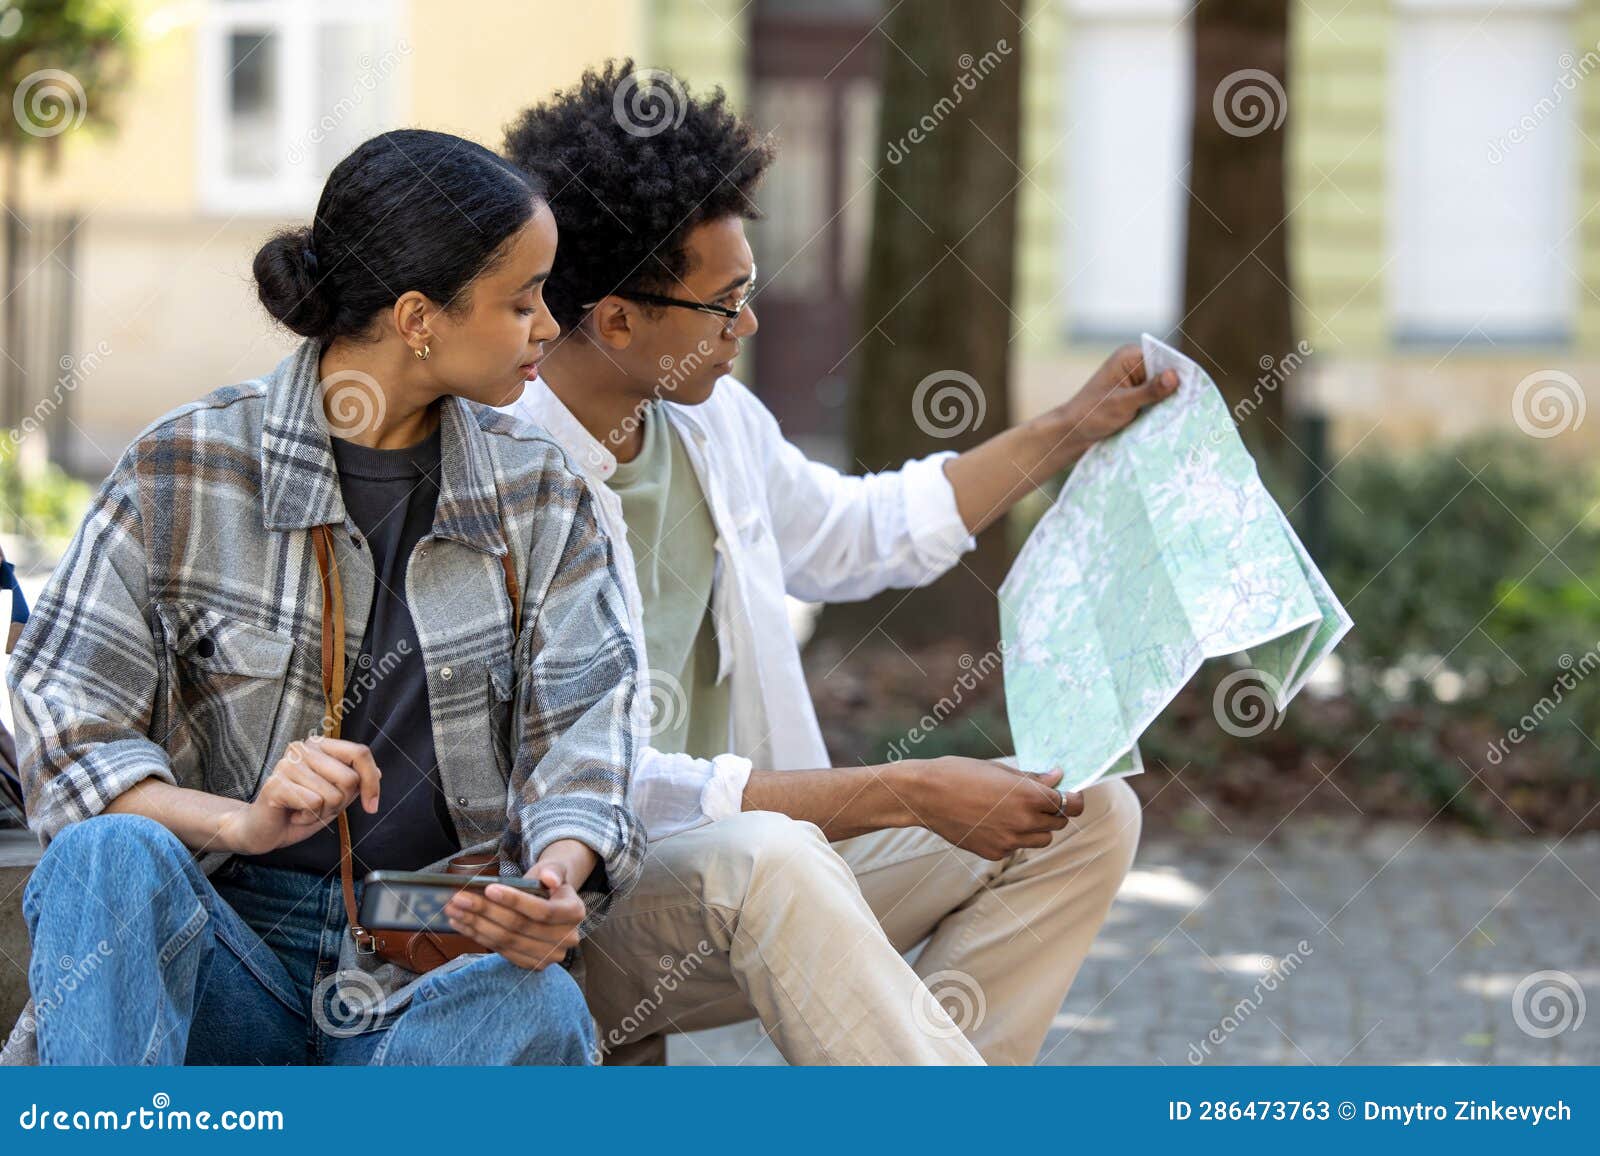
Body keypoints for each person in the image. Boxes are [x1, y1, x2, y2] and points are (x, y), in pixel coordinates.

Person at [497, 63, 1177, 1065]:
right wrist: (903, 790)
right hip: (576, 920)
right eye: (724, 304)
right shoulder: (497, 473)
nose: (750, 324)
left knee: (1084, 812)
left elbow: (859, 532)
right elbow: (599, 786)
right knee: (769, 852)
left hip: (751, 867)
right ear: (617, 319)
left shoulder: (709, 421)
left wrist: (1071, 427)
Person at [7, 129, 643, 1066]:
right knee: (103, 859)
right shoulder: (185, 468)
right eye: (522, 301)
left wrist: (552, 880)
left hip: (424, 964)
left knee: (533, 1005)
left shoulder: (540, 494)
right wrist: (237, 821)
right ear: (419, 316)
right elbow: (66, 727)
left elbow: (592, 726)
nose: (550, 325)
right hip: (222, 945)